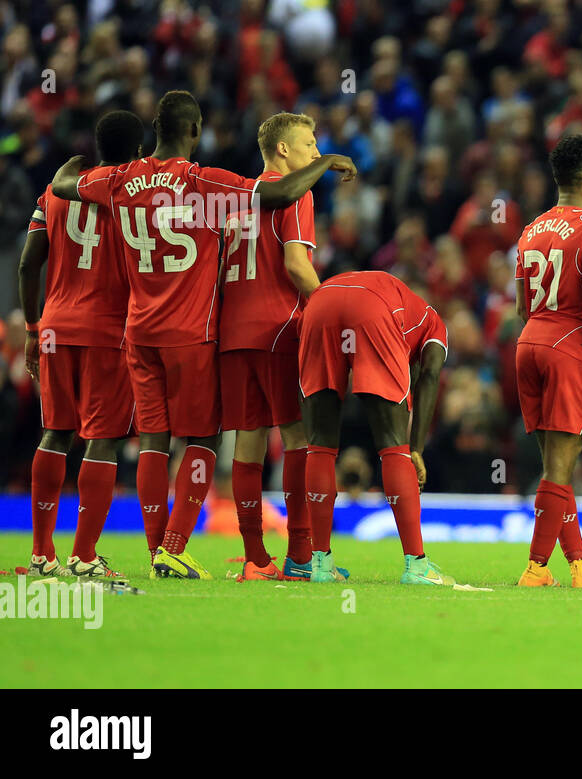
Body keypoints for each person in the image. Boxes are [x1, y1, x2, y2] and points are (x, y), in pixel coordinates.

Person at [50, 89, 356, 579]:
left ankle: (163, 553)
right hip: (194, 331)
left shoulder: (119, 179)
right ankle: (180, 545)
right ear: (194, 131)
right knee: (208, 437)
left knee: (154, 439)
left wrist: (70, 165)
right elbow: (277, 194)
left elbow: (65, 185)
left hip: (140, 330)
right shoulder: (206, 182)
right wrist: (326, 164)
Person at [18, 110, 143, 578]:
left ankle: (40, 554)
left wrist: (32, 328)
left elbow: (29, 263)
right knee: (103, 439)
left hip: (54, 326)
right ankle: (84, 556)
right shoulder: (132, 197)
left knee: (55, 432)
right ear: (137, 152)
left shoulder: (54, 190)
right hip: (108, 329)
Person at [219, 112, 327, 582]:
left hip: (232, 333)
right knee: (299, 438)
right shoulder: (294, 192)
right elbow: (297, 266)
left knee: (249, 443)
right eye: (309, 144)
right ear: (283, 150)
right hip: (280, 328)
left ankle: (255, 559)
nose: (317, 154)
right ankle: (301, 558)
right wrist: (329, 312)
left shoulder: (236, 198)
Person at [297, 271, 455, 586]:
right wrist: (417, 449)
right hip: (371, 309)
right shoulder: (434, 324)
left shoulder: (405, 304)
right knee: (392, 445)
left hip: (320, 302)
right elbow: (430, 376)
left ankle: (320, 564)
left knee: (320, 444)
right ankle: (416, 565)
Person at [514, 133, 582, 588]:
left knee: (555, 466)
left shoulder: (531, 229)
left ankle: (579, 564)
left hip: (529, 342)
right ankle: (537, 567)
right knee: (561, 466)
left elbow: (521, 306)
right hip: (568, 346)